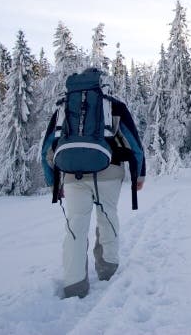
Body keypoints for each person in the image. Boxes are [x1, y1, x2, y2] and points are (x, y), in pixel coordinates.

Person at [40, 74, 146, 299]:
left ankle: (74, 284)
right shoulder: (113, 105)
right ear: (100, 85)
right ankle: (108, 270)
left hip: (72, 175)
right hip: (110, 172)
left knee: (75, 227)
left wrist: (53, 182)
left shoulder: (63, 107)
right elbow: (134, 143)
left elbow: (47, 147)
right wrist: (139, 174)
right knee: (107, 218)